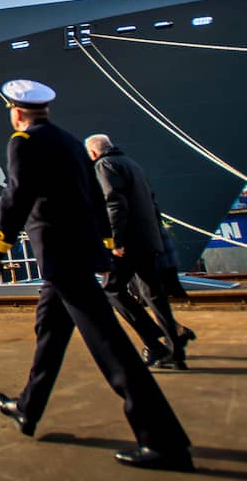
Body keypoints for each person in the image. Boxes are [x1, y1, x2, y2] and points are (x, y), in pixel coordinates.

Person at [0, 80, 193, 472]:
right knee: (50, 331)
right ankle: (28, 407)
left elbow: (16, 197)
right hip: (75, 256)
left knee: (111, 347)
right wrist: (107, 243)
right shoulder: (72, 143)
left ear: (16, 111)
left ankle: (163, 440)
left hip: (60, 258)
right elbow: (96, 199)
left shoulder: (23, 143)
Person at [84, 134, 194, 370]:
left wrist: (116, 240)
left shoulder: (104, 165)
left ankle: (153, 341)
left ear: (93, 153)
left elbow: (114, 203)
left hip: (128, 243)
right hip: (148, 241)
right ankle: (176, 350)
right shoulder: (133, 164)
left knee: (112, 289)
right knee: (154, 295)